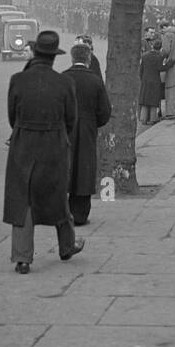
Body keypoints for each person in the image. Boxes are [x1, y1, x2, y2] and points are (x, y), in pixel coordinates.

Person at [3, 29, 85, 274]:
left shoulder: (18, 80)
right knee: (58, 197)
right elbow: (72, 119)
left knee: (23, 200)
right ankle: (67, 245)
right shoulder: (65, 83)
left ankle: (22, 257)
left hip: (23, 145)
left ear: (36, 53)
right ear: (53, 57)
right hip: (54, 145)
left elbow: (12, 116)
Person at [64, 42, 111, 226]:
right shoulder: (95, 80)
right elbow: (105, 111)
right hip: (87, 129)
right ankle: (81, 213)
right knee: (84, 169)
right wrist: (93, 123)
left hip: (66, 129)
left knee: (66, 168)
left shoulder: (64, 78)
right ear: (88, 58)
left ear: (72, 58)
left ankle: (64, 212)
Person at [139, 38, 165, 124]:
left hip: (145, 80)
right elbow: (160, 68)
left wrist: (142, 78)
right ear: (160, 48)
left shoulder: (145, 56)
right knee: (153, 101)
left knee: (145, 100)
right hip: (155, 80)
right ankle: (152, 119)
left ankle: (143, 118)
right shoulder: (159, 57)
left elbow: (141, 70)